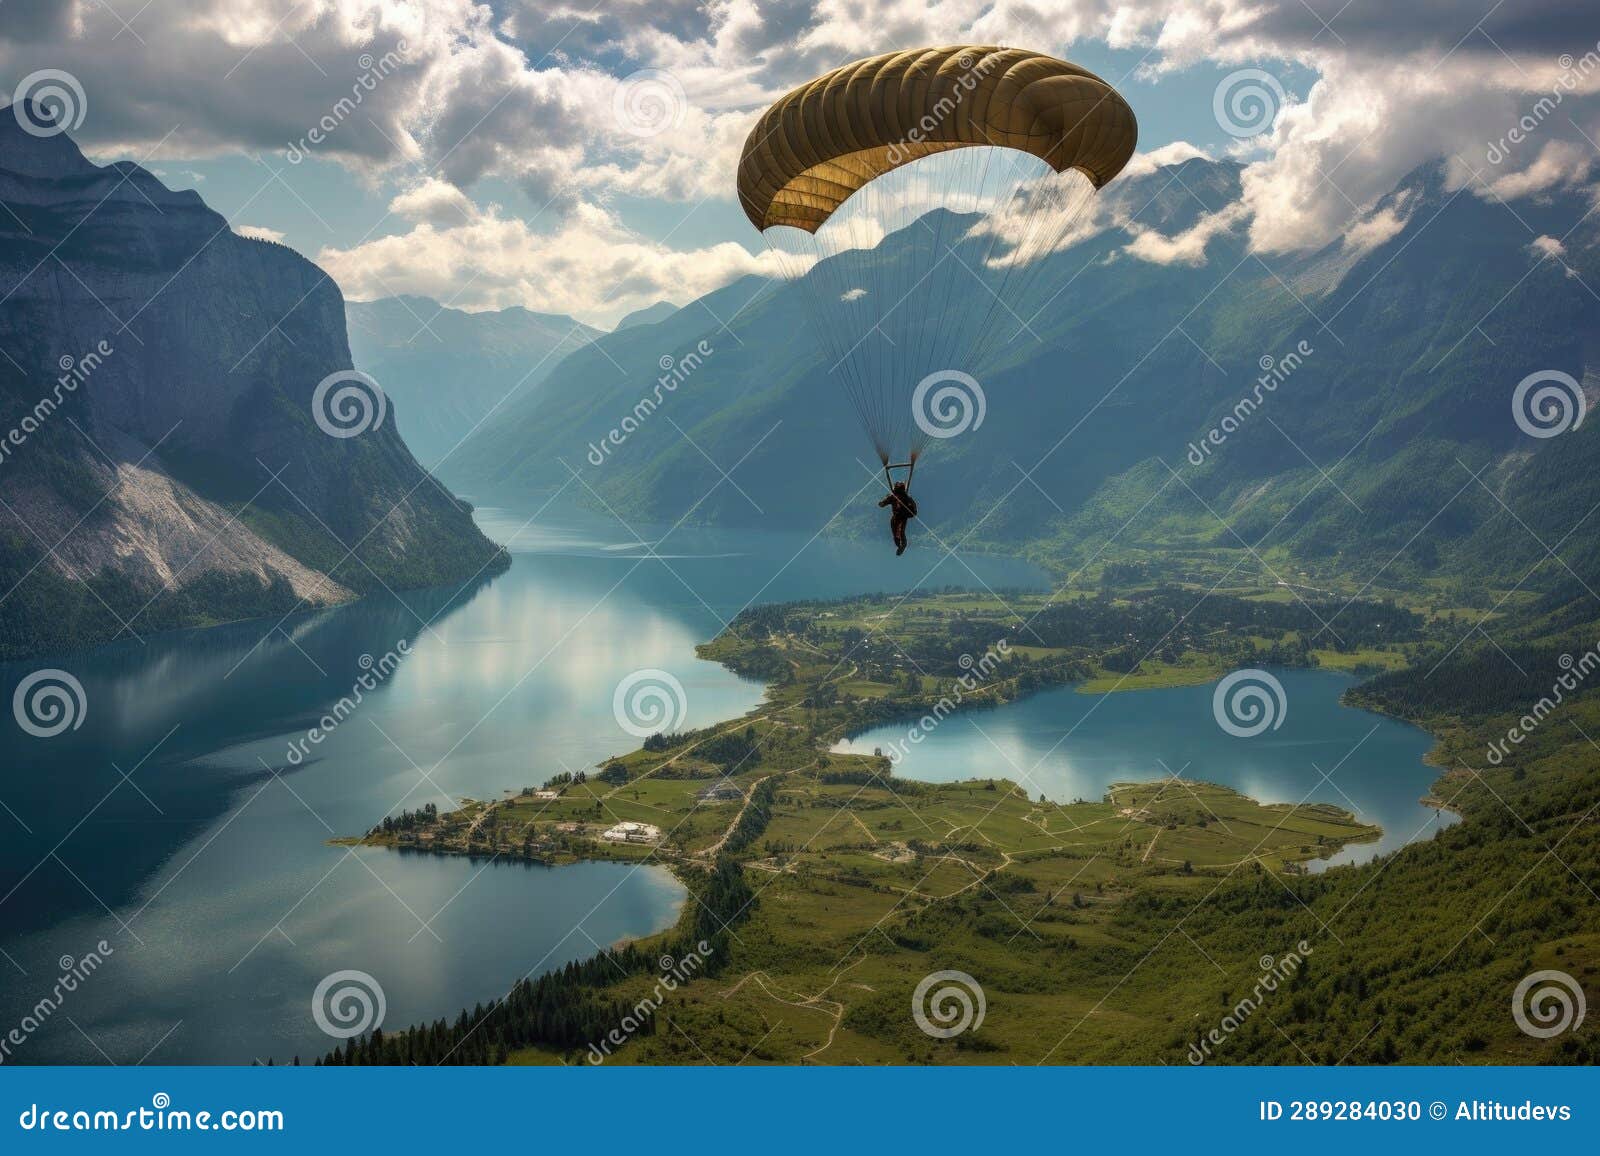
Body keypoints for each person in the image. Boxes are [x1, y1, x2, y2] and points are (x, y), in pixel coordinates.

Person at [878, 480, 917, 555]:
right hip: (896, 516)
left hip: (903, 516)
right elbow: (883, 504)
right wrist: (882, 503)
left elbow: (913, 511)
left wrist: (911, 506)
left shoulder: (905, 497)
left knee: (901, 531)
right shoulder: (893, 497)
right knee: (895, 532)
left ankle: (902, 545)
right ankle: (899, 544)